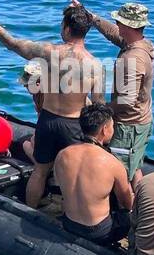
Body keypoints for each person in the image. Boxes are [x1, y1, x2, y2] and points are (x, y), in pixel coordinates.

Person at [0, 0, 105, 208]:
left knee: (40, 171)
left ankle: (30, 212)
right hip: (73, 125)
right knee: (74, 175)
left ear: (67, 28)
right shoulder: (96, 66)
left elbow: (12, 43)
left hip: (48, 119)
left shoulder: (48, 51)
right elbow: (98, 105)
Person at [69, 0, 154, 185]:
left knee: (121, 172)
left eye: (119, 22)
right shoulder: (140, 44)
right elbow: (112, 33)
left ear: (127, 26)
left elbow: (127, 101)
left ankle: (127, 209)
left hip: (128, 126)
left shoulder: (132, 59)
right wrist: (89, 16)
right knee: (134, 167)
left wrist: (100, 110)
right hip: (141, 120)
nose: (116, 24)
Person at [52, 104, 133, 244]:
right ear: (104, 129)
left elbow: (60, 185)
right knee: (131, 215)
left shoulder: (62, 155)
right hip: (100, 232)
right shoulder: (112, 163)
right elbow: (127, 204)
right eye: (112, 126)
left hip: (69, 223)